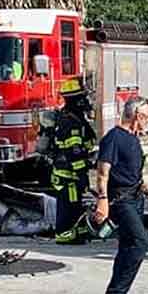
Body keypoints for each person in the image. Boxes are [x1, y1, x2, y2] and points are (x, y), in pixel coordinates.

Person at [95, 96, 148, 294]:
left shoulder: (133, 139)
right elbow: (102, 173)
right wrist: (102, 202)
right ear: (137, 116)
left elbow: (134, 175)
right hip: (120, 200)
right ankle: (116, 293)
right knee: (139, 243)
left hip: (135, 198)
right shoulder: (113, 138)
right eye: (147, 117)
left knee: (127, 246)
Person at [50, 79, 98, 244]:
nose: (86, 101)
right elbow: (74, 152)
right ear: (76, 100)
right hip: (67, 174)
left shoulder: (75, 118)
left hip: (71, 172)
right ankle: (63, 233)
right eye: (82, 98)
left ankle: (79, 231)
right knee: (68, 204)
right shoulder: (71, 122)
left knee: (76, 203)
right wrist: (82, 172)